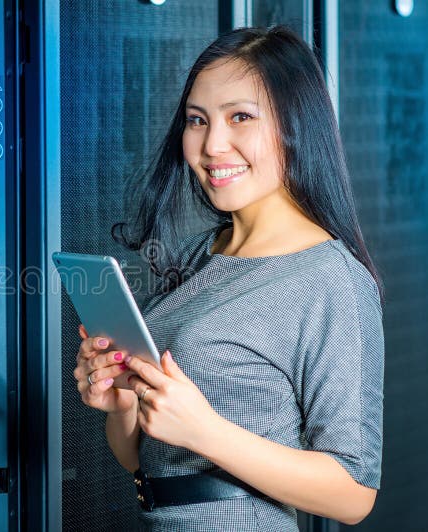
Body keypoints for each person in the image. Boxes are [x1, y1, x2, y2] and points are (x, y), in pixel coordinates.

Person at [72, 26, 384, 531]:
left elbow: (354, 492)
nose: (213, 144)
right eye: (197, 120)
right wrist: (123, 403)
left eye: (240, 117)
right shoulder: (204, 254)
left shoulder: (331, 280)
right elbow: (143, 463)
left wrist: (206, 431)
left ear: (294, 125)